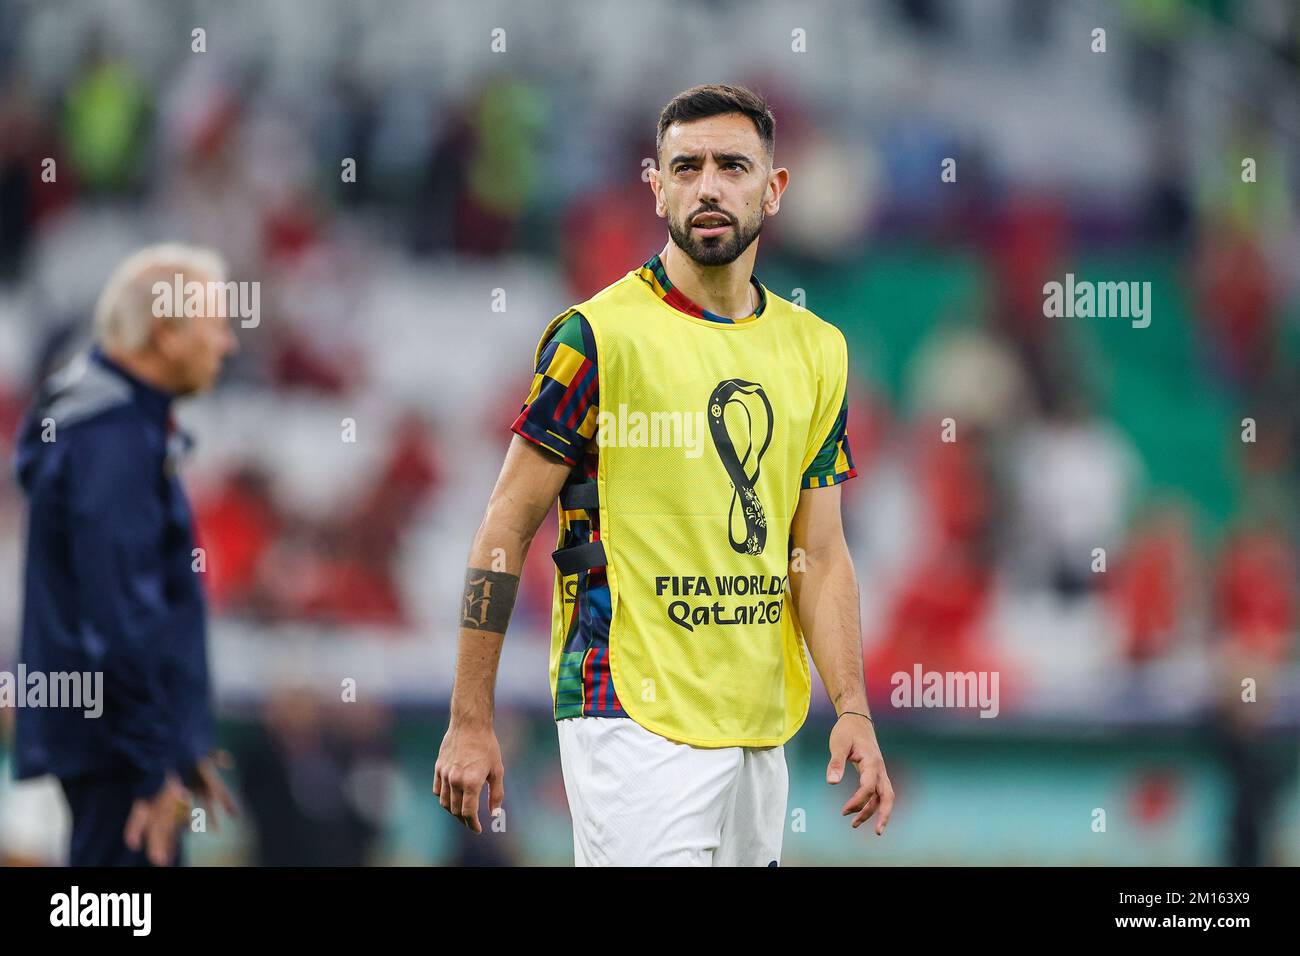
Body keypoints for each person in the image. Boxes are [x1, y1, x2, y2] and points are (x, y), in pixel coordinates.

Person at [434, 84, 894, 865]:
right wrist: (469, 717)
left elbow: (818, 553)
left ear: (773, 189)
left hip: (756, 719)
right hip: (628, 709)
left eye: (732, 166)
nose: (708, 186)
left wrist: (853, 705)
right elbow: (504, 527)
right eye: (686, 167)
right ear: (656, 186)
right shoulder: (596, 340)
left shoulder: (818, 351)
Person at [12, 243, 239, 866]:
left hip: (122, 749)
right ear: (165, 334)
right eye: (217, 325)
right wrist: (149, 765)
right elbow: (119, 620)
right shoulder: (111, 441)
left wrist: (181, 745)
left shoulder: (117, 429)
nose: (228, 346)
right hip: (120, 754)